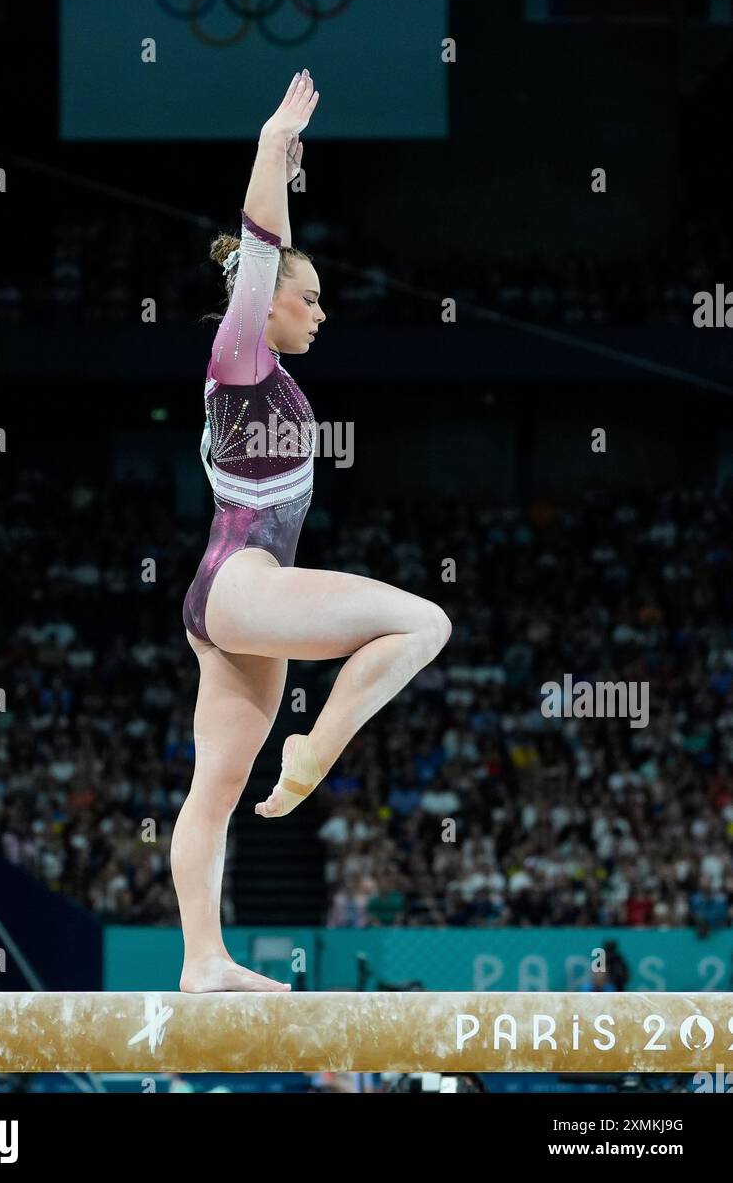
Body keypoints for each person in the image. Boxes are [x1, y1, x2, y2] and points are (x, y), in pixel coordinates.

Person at [173, 69, 452, 993]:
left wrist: (282, 169)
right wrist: (269, 145)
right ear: (270, 306)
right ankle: (319, 748)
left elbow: (270, 257)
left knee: (213, 790)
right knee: (422, 625)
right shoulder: (239, 353)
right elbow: (259, 254)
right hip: (244, 583)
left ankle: (204, 961)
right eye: (313, 299)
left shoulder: (263, 370)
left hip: (224, 600)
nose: (322, 312)